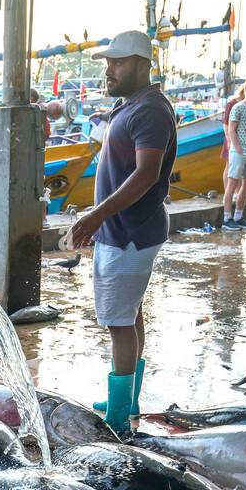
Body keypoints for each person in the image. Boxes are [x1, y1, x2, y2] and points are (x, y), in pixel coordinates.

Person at [63, 30, 177, 435]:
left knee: (118, 322)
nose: (109, 70)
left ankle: (118, 419)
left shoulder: (149, 110)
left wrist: (96, 216)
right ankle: (125, 398)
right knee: (130, 314)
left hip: (130, 231)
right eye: (109, 62)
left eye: (119, 62)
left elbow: (146, 174)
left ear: (143, 65)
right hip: (125, 229)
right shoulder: (133, 105)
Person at [223, 78, 246, 230]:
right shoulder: (237, 107)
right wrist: (237, 148)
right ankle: (227, 218)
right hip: (238, 152)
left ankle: (239, 216)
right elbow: (231, 129)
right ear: (244, 91)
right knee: (232, 183)